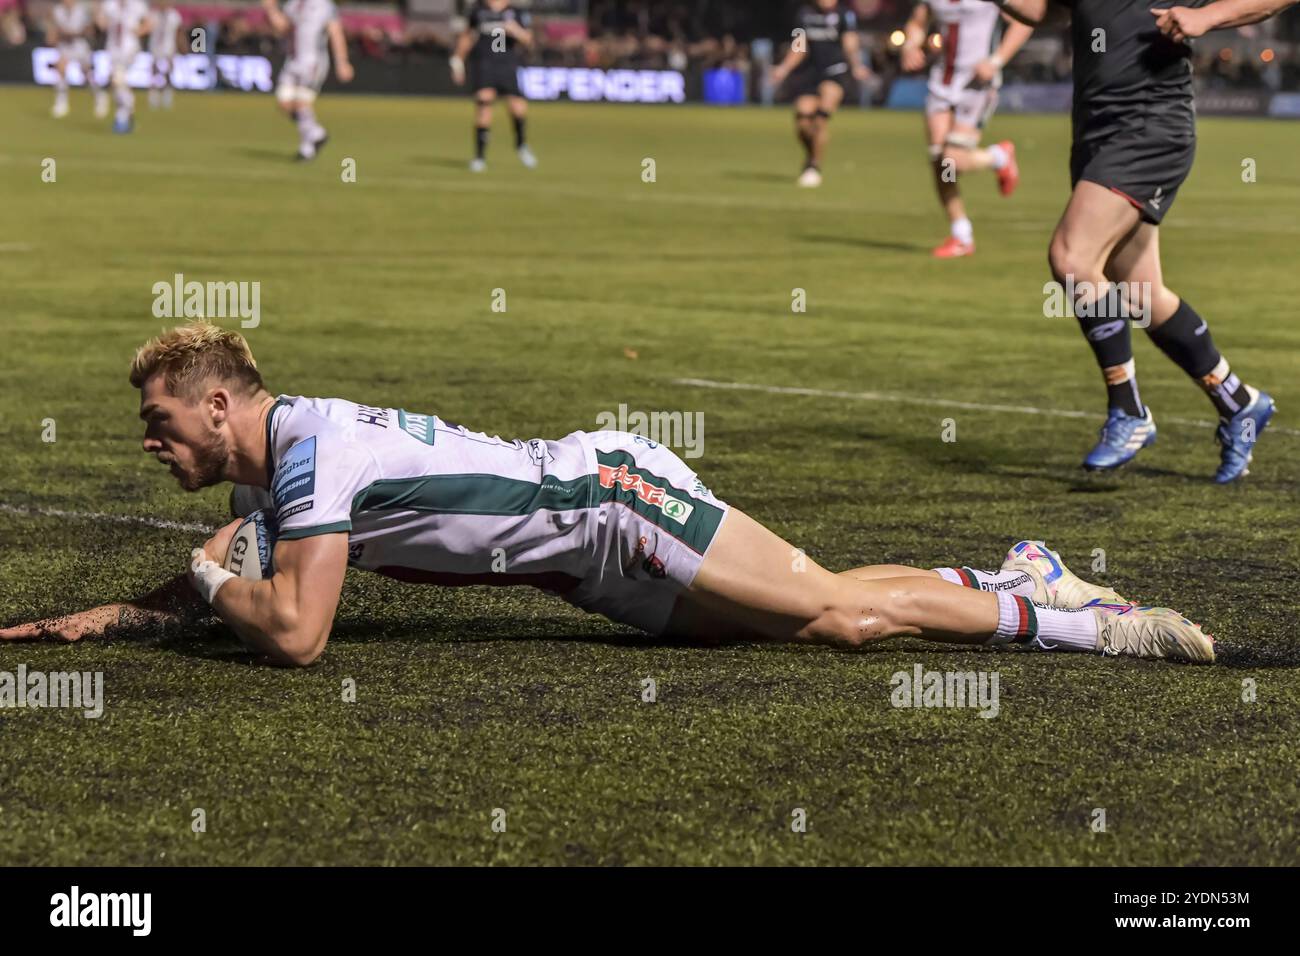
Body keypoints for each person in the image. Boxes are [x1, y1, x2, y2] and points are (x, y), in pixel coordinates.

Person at [0, 323, 1215, 666]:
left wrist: (219, 579)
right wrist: (83, 623)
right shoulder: (284, 472)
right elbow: (209, 585)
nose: (148, 444)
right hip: (582, 568)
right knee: (826, 619)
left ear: (218, 408)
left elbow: (300, 633)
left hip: (613, 500)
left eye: (158, 423)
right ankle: (995, 577)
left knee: (842, 617)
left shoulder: (310, 460)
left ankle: (1075, 619)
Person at [989, 0, 1275, 481]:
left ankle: (1129, 410)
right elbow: (1044, 10)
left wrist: (1207, 17)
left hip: (1150, 126)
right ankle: (1240, 402)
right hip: (1096, 131)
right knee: (1141, 293)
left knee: (1072, 257)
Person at [900, 1, 1031, 257]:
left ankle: (1000, 157)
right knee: (939, 160)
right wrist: (910, 44)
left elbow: (1024, 20)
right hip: (942, 81)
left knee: (952, 160)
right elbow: (918, 21)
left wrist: (996, 60)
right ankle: (961, 234)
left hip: (976, 84)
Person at [770, 0, 872, 187]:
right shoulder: (803, 14)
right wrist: (783, 69)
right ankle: (811, 155)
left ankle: (814, 167)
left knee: (820, 119)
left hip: (835, 71)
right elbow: (798, 47)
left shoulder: (844, 14)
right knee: (802, 122)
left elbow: (850, 43)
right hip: (810, 73)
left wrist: (856, 65)